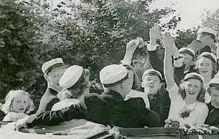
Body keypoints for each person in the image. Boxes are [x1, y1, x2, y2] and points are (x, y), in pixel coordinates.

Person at [15, 64, 159, 130]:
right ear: (123, 85)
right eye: (127, 82)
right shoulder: (137, 104)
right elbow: (155, 120)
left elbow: (60, 114)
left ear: (104, 85)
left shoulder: (92, 102)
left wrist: (29, 120)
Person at [163, 32, 208, 128]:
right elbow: (168, 75)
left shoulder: (202, 107)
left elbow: (198, 130)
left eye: (196, 86)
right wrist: (168, 50)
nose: (192, 89)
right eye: (189, 85)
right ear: (183, 86)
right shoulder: (176, 96)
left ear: (201, 89)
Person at [122, 39, 151, 109]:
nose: (142, 61)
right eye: (136, 59)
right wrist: (128, 55)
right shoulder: (128, 69)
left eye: (144, 55)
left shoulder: (151, 69)